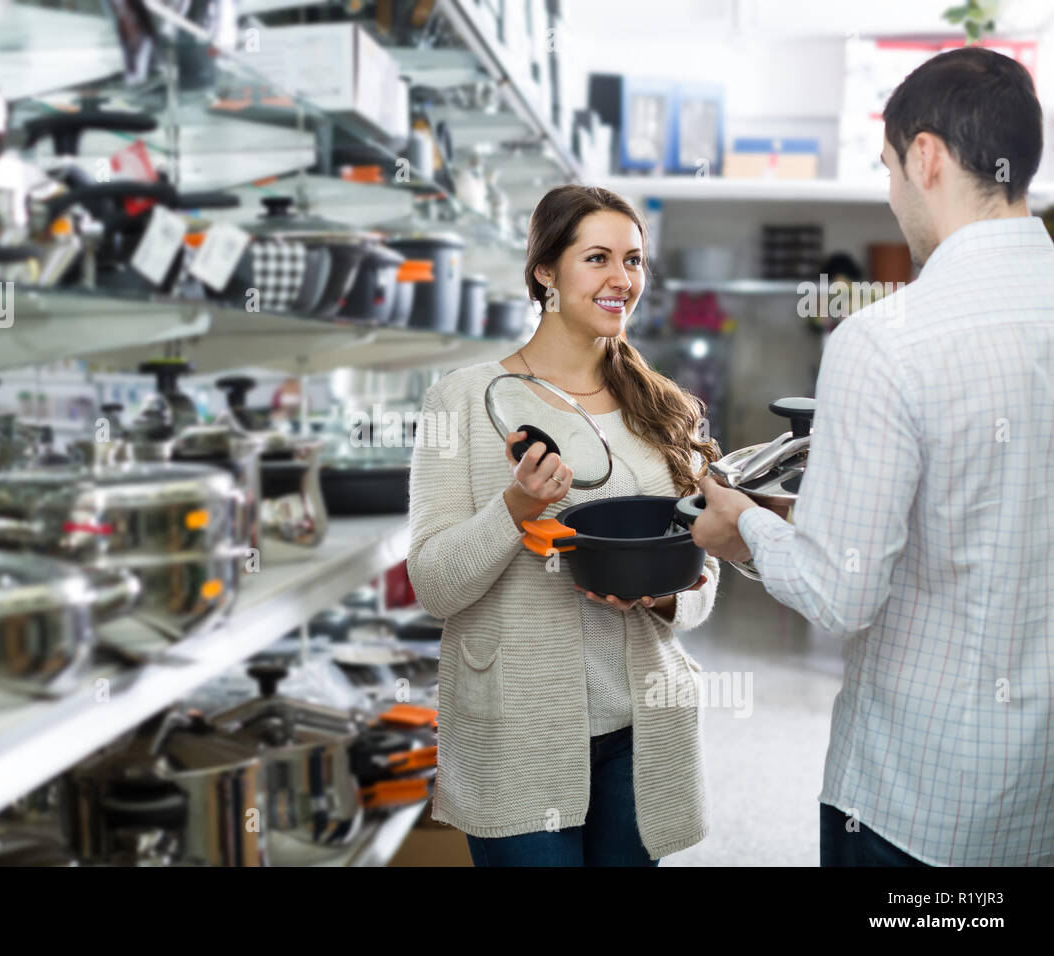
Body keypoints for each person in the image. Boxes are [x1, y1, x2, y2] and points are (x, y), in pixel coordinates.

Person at [690, 46, 1053, 867]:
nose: (892, 195)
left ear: (925, 157)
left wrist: (744, 526)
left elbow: (839, 589)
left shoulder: (887, 340)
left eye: (888, 167)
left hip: (919, 804)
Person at [406, 184, 720, 866]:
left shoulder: (665, 409)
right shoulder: (461, 400)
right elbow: (434, 584)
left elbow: (704, 568)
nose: (622, 279)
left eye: (634, 261)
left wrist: (664, 594)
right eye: (598, 258)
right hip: (516, 730)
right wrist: (515, 508)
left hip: (641, 730)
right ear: (545, 270)